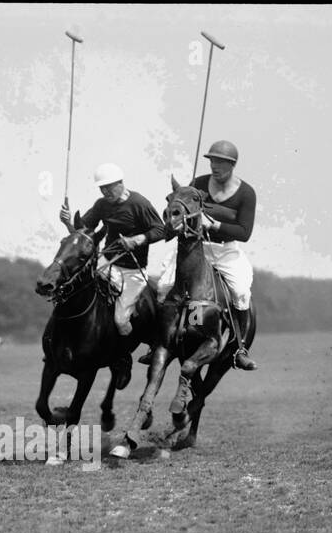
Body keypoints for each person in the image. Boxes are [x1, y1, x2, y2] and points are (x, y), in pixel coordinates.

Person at [132, 139, 258, 370]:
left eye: (220, 162)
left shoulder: (246, 193)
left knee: (240, 292)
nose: (214, 166)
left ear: (232, 165)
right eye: (212, 161)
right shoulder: (197, 184)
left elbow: (244, 232)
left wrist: (215, 225)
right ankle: (158, 343)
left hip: (224, 251)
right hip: (193, 249)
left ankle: (240, 348)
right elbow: (180, 210)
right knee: (163, 287)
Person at [60, 163, 164, 384]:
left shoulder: (139, 203)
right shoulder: (101, 205)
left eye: (109, 187)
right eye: (102, 188)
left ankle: (122, 357)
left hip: (133, 271)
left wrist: (138, 239)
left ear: (120, 183)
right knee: (76, 289)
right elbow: (83, 233)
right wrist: (68, 222)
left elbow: (161, 229)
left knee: (120, 320)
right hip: (107, 262)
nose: (105, 192)